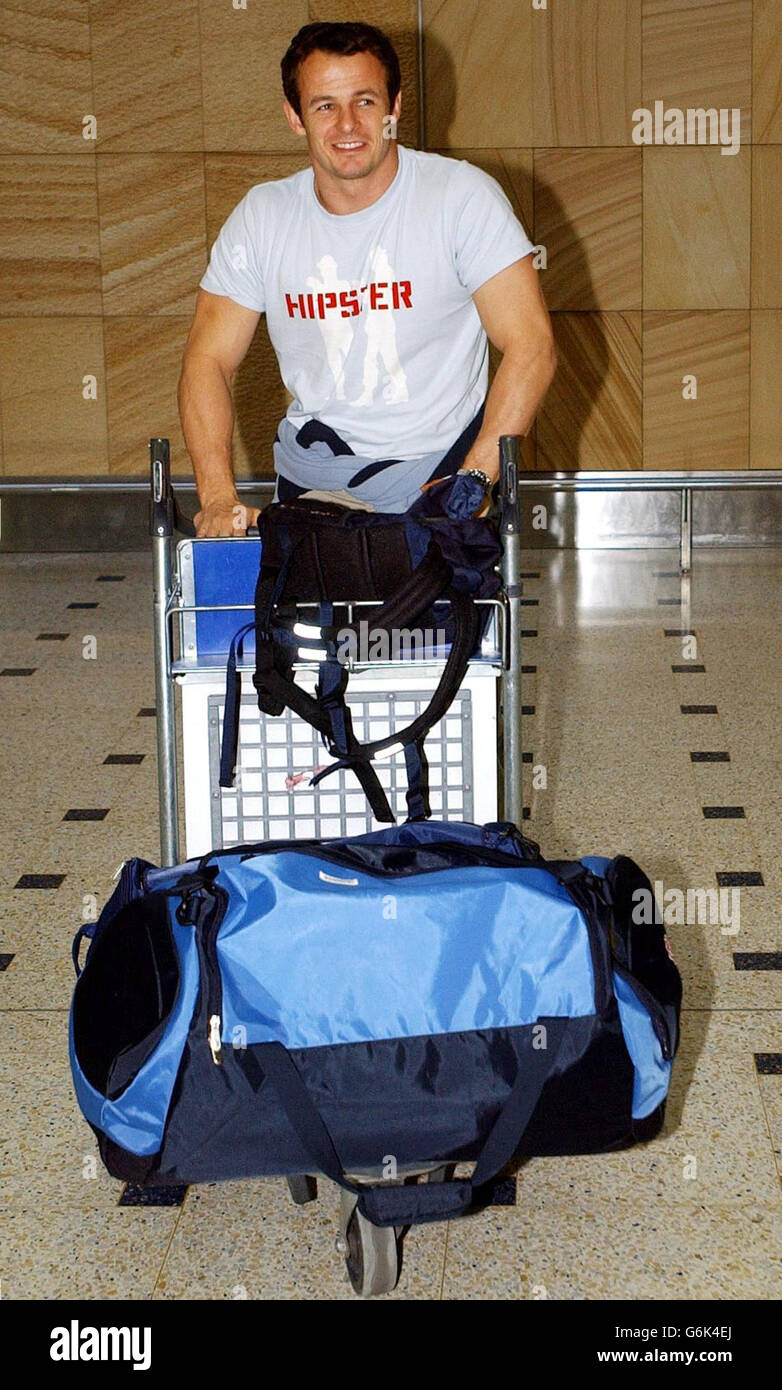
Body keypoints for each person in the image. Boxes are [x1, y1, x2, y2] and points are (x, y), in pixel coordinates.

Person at [179, 21, 557, 537]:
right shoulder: (263, 217)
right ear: (295, 117)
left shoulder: (462, 198)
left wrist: (473, 481)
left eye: (365, 101)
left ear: (395, 107)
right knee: (301, 618)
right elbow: (208, 359)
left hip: (439, 474)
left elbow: (531, 345)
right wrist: (218, 497)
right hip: (314, 481)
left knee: (424, 620)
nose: (348, 125)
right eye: (324, 106)